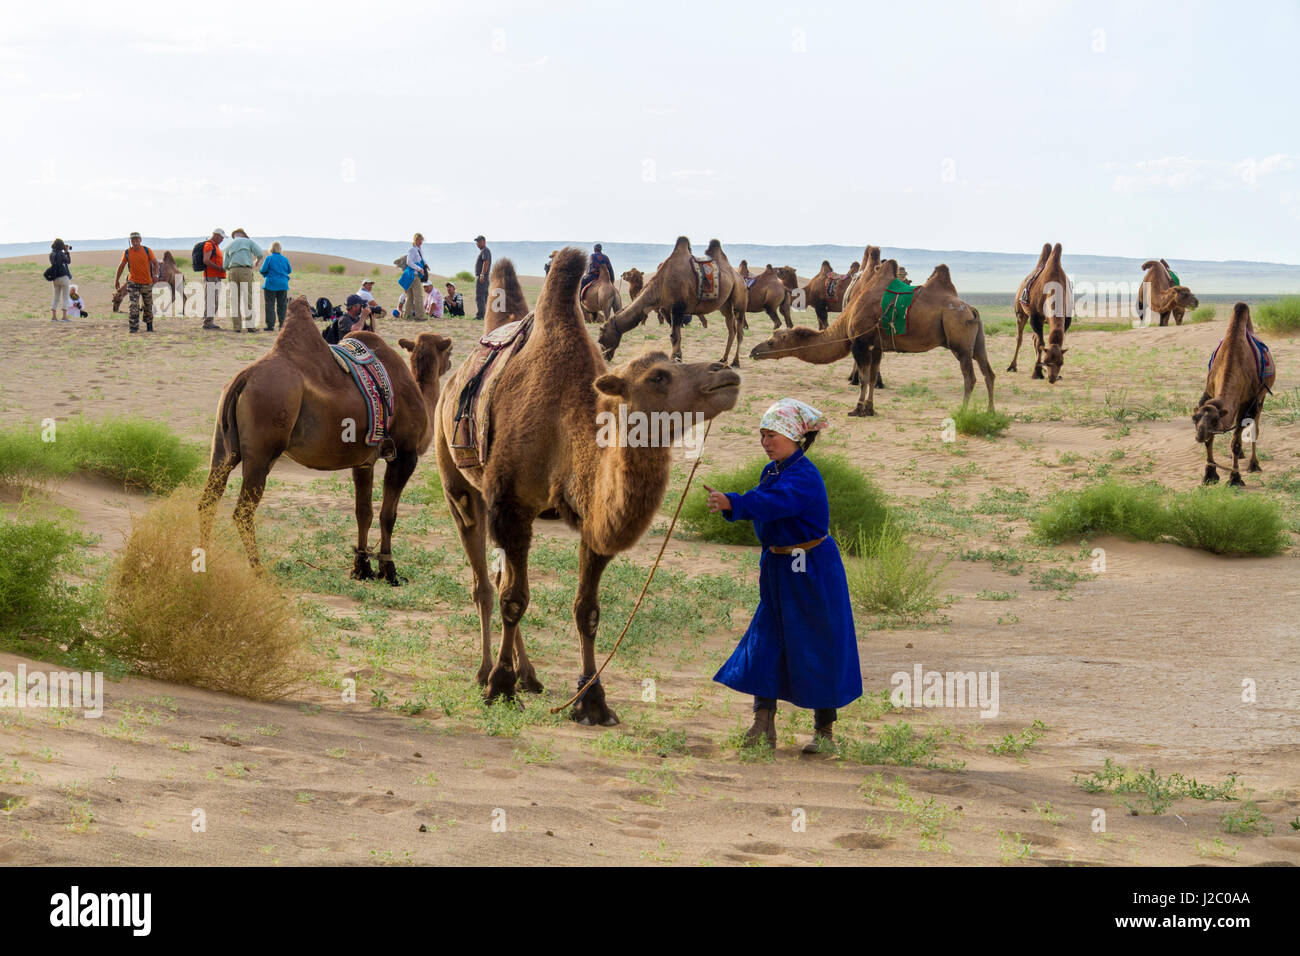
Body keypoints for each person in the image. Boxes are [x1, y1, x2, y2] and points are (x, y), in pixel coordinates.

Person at [705, 398, 862, 754]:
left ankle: (825, 735)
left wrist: (735, 503)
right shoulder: (773, 471)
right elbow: (768, 506)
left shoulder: (804, 477)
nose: (765, 442)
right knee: (768, 641)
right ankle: (763, 726)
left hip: (811, 570)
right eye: (762, 435)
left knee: (818, 645)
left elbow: (776, 504)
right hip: (780, 569)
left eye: (772, 434)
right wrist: (737, 506)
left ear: (793, 435)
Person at [114, 232, 159, 333]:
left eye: (136, 240)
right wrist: (117, 280)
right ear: (130, 241)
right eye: (133, 240)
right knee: (133, 305)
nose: (135, 242)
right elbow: (121, 266)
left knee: (148, 305)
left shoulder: (147, 250)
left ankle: (149, 326)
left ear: (140, 240)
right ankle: (133, 327)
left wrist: (156, 275)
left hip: (147, 282)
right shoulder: (127, 252)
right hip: (133, 283)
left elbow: (155, 263)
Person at [224, 228, 264, 332]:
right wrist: (256, 262)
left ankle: (237, 327)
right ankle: (250, 326)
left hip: (232, 271)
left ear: (234, 236)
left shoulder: (229, 246)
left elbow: (225, 265)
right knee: (248, 298)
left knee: (234, 300)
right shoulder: (248, 241)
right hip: (245, 271)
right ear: (243, 234)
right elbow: (260, 253)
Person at [259, 241, 292, 331]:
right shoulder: (284, 259)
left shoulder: (269, 258)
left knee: (270, 305)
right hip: (283, 284)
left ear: (271, 248)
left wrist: (266, 274)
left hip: (271, 284)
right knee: (282, 305)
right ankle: (282, 325)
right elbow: (289, 270)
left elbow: (262, 270)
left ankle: (270, 325)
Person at [201, 228, 227, 330]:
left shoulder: (215, 245)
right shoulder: (209, 245)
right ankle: (207, 323)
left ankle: (209, 321)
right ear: (216, 235)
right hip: (211, 276)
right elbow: (206, 260)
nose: (222, 240)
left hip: (215, 276)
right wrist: (219, 268)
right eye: (221, 237)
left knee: (213, 299)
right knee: (211, 299)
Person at [399, 233, 429, 321]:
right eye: (419, 240)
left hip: (413, 275)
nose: (420, 242)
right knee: (418, 296)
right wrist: (419, 268)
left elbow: (421, 259)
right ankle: (420, 316)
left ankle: (407, 315)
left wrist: (425, 264)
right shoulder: (412, 250)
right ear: (415, 240)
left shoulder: (418, 250)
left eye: (421, 240)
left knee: (410, 297)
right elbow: (409, 262)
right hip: (414, 275)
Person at [48, 239, 72, 322]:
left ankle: (54, 317)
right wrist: (67, 252)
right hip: (63, 277)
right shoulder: (61, 253)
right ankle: (64, 317)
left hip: (55, 278)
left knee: (56, 297)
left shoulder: (51, 254)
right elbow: (68, 261)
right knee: (65, 297)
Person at [473, 234, 491, 319]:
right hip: (484, 277)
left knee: (480, 296)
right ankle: (486, 315)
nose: (478, 243)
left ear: (484, 241)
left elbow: (486, 262)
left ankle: (480, 315)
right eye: (477, 242)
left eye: (479, 241)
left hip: (482, 277)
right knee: (484, 296)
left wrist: (482, 274)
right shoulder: (484, 251)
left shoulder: (485, 251)